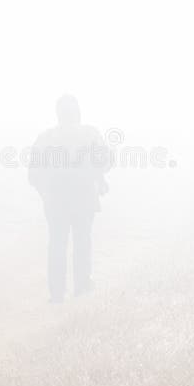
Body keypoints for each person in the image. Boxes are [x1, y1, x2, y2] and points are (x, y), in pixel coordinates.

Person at [29, 94, 110, 303]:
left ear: (58, 114)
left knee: (57, 244)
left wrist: (45, 193)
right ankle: (82, 288)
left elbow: (33, 174)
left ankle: (56, 294)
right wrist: (98, 178)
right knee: (82, 242)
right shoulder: (90, 134)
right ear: (78, 112)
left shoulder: (45, 138)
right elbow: (105, 162)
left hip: (55, 202)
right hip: (84, 199)